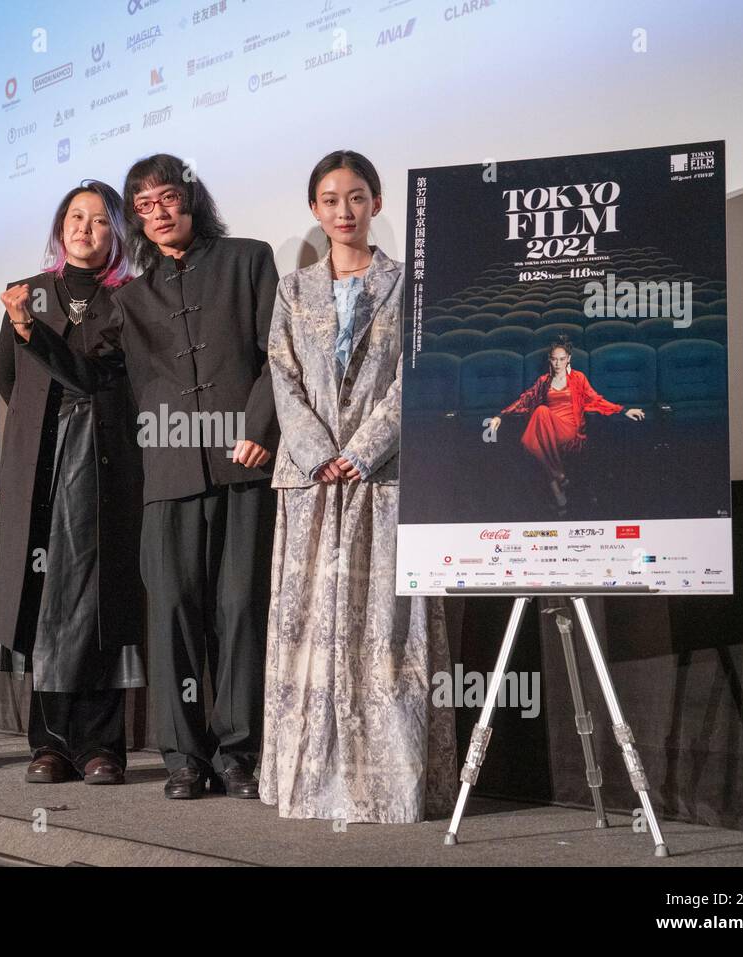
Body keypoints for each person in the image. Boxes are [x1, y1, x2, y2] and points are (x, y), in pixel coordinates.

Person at [9, 154, 279, 800]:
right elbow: (90, 376)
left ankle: (238, 753)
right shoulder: (130, 296)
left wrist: (260, 427)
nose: (157, 212)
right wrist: (27, 330)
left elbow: (280, 353)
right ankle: (186, 757)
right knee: (175, 620)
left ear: (191, 198)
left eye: (167, 198)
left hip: (243, 468)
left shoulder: (249, 260)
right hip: (167, 475)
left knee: (241, 612)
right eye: (144, 205)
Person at [260, 150, 457, 823]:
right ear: (314, 209)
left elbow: (420, 374)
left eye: (356, 197)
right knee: (309, 632)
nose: (343, 211)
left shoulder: (411, 284)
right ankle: (308, 780)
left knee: (386, 633)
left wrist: (364, 450)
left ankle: (389, 786)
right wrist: (321, 454)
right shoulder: (292, 290)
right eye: (329, 199)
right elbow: (282, 378)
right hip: (312, 485)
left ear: (374, 204)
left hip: (386, 478)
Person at [0, 180, 144, 786]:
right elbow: (8, 377)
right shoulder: (27, 294)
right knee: (44, 601)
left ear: (117, 233)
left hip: (108, 461)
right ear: (61, 228)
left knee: (100, 599)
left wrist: (37, 337)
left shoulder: (131, 299)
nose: (85, 229)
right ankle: (49, 744)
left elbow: (110, 380)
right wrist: (43, 427)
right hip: (43, 463)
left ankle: (102, 745)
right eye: (74, 218)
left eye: (100, 220)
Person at [492, 336, 645, 509]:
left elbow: (596, 399)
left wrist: (624, 410)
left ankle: (558, 479)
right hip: (549, 427)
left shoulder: (578, 378)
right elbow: (525, 399)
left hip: (569, 427)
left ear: (569, 359)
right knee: (533, 438)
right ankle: (558, 482)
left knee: (538, 421)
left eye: (562, 359)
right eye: (554, 359)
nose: (558, 363)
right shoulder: (544, 381)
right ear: (550, 360)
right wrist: (500, 415)